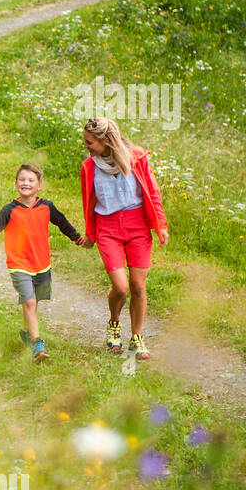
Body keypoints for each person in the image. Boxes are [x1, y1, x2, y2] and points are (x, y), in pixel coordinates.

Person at [77, 116, 169, 361]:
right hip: (108, 228)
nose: (85, 146)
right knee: (120, 287)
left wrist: (160, 224)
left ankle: (137, 337)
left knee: (138, 286)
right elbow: (88, 203)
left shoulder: (136, 157)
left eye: (89, 142)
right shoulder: (89, 167)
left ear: (106, 140)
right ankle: (114, 323)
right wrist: (90, 234)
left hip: (138, 226)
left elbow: (153, 191)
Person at [0, 164, 84, 361]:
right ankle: (38, 344)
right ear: (16, 183)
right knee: (29, 301)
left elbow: (62, 223)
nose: (25, 183)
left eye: (30, 180)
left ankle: (27, 333)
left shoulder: (47, 207)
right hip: (19, 264)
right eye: (22, 180)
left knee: (33, 302)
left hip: (41, 264)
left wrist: (78, 239)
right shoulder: (9, 210)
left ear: (39, 185)